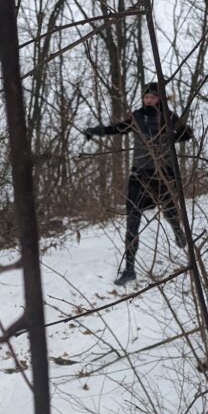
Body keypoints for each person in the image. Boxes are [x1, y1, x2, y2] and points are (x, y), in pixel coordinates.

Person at [83, 82, 193, 286]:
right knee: (132, 221)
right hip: (139, 175)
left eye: (152, 97)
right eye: (146, 97)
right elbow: (116, 128)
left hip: (163, 175)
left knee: (170, 212)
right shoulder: (137, 117)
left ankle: (179, 233)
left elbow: (187, 133)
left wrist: (170, 135)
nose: (148, 100)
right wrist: (95, 130)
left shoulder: (168, 117)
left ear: (159, 98)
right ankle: (129, 269)